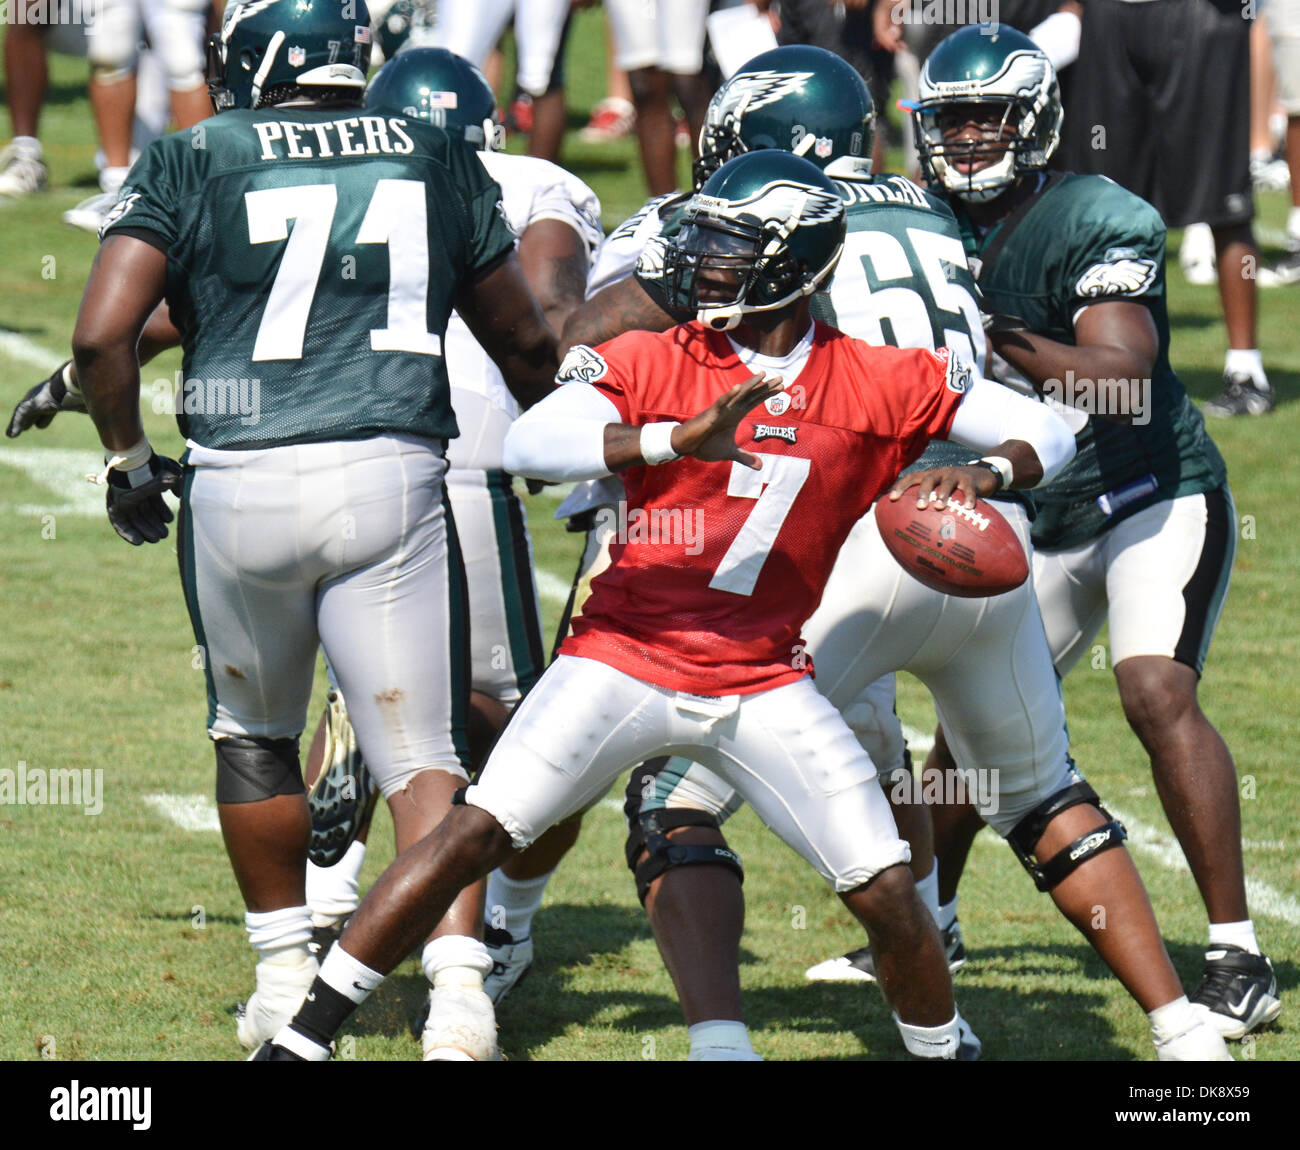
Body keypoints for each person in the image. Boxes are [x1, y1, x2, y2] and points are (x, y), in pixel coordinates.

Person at [254, 148, 1078, 1063]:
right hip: (624, 655)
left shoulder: (878, 378)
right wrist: (670, 438)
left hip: (763, 678)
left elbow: (1048, 427)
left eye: (729, 246)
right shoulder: (658, 353)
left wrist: (992, 470)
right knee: (474, 833)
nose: (700, 262)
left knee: (884, 886)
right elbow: (533, 441)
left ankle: (943, 1050)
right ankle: (299, 1042)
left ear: (794, 265)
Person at [565, 42, 1231, 1063]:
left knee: (673, 801)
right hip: (978, 533)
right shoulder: (929, 212)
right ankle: (1184, 1035)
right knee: (1042, 797)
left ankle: (722, 1045)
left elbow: (591, 340)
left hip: (856, 546)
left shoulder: (779, 218)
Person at [67, 0, 560, 1061]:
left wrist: (128, 461)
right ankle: (458, 998)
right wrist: (573, 437)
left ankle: (284, 975)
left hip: (240, 479)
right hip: (392, 471)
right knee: (424, 755)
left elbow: (105, 336)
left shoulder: (197, 151)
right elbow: (522, 338)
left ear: (258, 57)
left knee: (254, 736)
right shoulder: (430, 149)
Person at [906, 24, 1281, 1042]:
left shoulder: (1095, 214)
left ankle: (1237, 954)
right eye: (950, 119)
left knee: (1154, 689)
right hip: (1033, 511)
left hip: (1146, 490)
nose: (967, 137)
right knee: (970, 730)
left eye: (987, 117)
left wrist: (987, 337)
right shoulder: (914, 222)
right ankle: (927, 926)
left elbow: (1118, 376)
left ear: (1033, 122)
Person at [1059, 0, 1273, 418]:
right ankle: (1103, 367)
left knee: (1224, 201)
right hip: (1110, 14)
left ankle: (1247, 371)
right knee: (1099, 201)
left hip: (1198, 15)